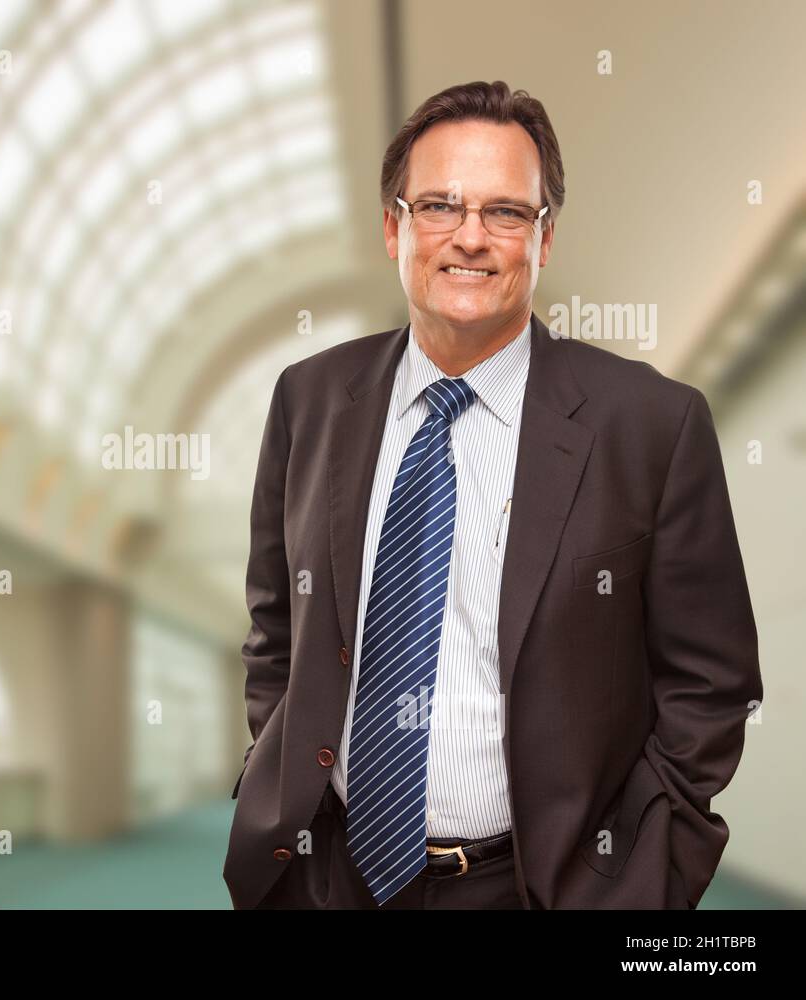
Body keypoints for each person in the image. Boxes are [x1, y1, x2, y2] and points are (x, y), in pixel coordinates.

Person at [222, 80, 762, 909]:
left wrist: (637, 879)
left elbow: (711, 683)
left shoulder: (652, 425)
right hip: (329, 876)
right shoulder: (311, 400)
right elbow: (275, 626)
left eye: (506, 213)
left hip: (539, 887)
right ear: (395, 227)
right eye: (440, 205)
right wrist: (284, 774)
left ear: (544, 240)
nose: (470, 238)